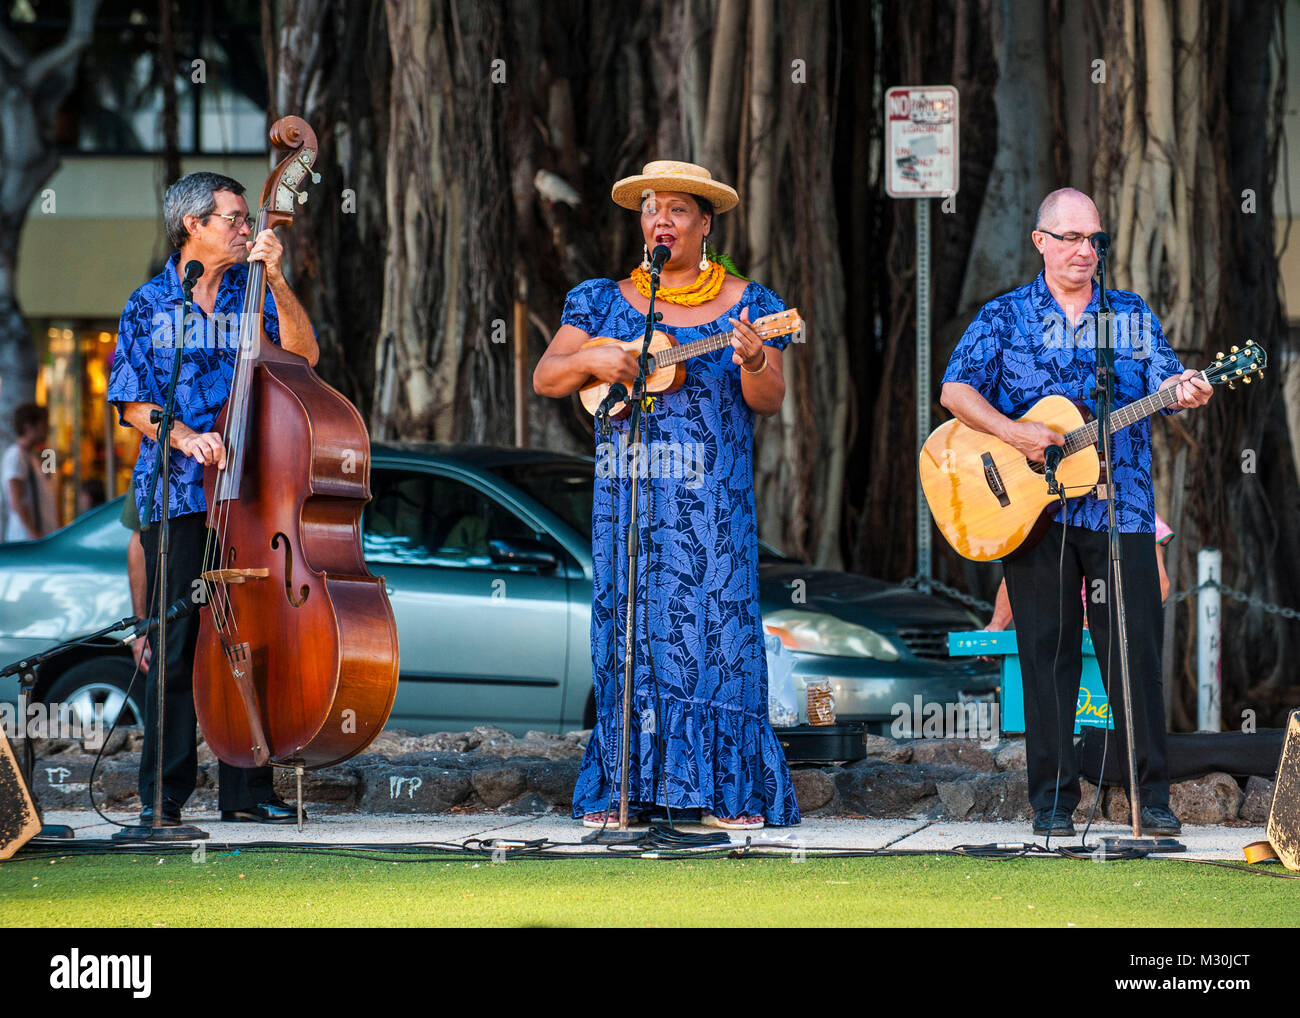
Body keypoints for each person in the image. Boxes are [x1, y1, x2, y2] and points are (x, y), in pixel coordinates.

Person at [533, 160, 799, 830]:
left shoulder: (750, 304)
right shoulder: (602, 301)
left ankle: (723, 791)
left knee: (718, 638)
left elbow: (770, 400)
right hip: (631, 507)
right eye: (653, 208)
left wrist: (756, 360)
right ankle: (632, 786)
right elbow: (547, 376)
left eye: (679, 209)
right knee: (633, 636)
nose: (663, 220)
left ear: (705, 224)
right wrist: (596, 359)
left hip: (713, 506)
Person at [939, 187, 1212, 839]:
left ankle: (1151, 795)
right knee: (1046, 653)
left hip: (1122, 510)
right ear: (1040, 242)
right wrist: (1012, 432)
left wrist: (1187, 390)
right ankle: (1053, 803)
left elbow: (1166, 388)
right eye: (1071, 238)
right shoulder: (1004, 317)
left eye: (1094, 240)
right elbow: (954, 390)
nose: (1085, 251)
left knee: (1134, 652)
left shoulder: (1128, 314)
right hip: (1034, 517)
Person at [106, 171, 319, 825]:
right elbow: (134, 405)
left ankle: (247, 794)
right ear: (192, 226)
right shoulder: (149, 306)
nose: (245, 226)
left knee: (246, 639)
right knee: (174, 646)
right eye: (232, 217)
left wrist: (279, 281)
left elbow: (305, 361)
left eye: (245, 217)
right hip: (176, 494)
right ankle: (162, 798)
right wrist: (189, 438)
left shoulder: (253, 298)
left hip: (247, 496)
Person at [986, 513, 1174, 630]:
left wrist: (1120, 623)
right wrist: (996, 625)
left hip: (1112, 637)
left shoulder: (1135, 513)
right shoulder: (1044, 513)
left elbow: (1159, 586)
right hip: (1055, 635)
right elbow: (1020, 577)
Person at [1, 404, 58, 541]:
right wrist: (33, 532)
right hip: (26, 539)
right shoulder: (15, 456)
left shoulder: (32, 457)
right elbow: (16, 500)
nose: (46, 429)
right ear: (28, 427)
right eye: (42, 424)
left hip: (39, 537)